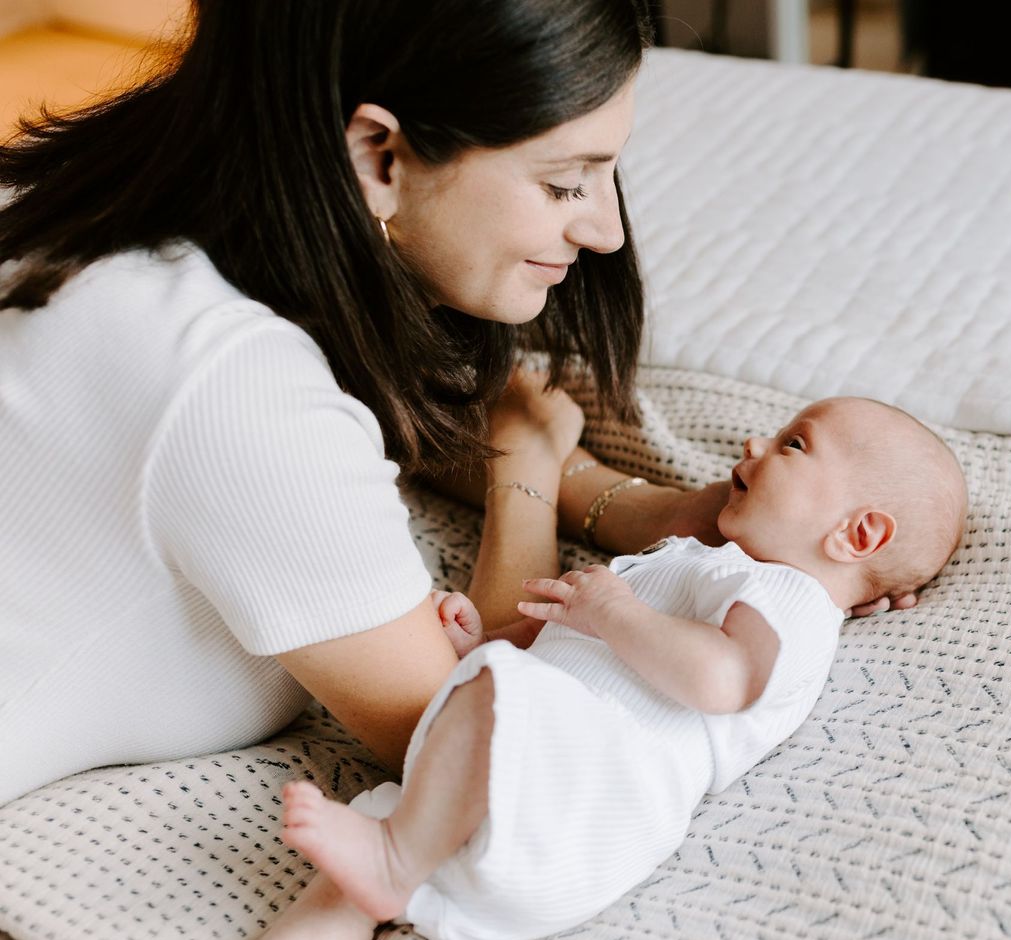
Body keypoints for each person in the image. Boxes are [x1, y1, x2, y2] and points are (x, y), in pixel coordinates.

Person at [1, 0, 919, 807]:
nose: (605, 229)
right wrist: (524, 467)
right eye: (565, 182)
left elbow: (425, 412)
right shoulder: (230, 387)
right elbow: (480, 747)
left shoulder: (152, 212)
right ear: (379, 155)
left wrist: (673, 515)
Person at [74, 397, 968, 940]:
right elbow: (566, 661)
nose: (752, 446)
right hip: (522, 792)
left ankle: (394, 856)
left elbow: (721, 681)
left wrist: (611, 612)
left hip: (593, 802)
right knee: (341, 890)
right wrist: (481, 648)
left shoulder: (789, 601)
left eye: (793, 446)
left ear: (859, 533)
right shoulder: (710, 567)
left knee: (457, 760)